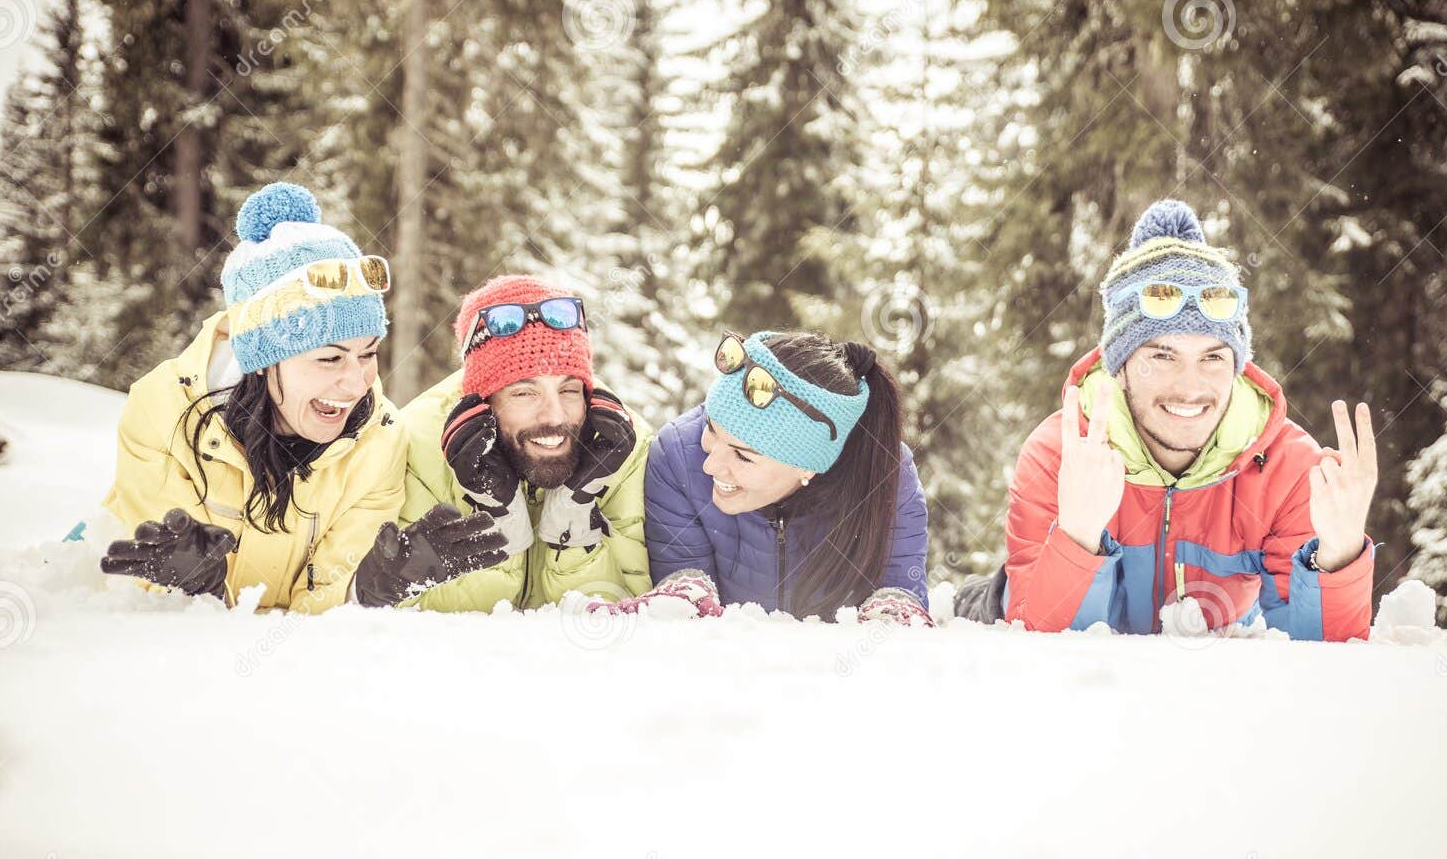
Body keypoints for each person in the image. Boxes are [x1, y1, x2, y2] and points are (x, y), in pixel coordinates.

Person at [954, 199, 1377, 641]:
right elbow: (1043, 645)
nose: (1190, 387)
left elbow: (1322, 658)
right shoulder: (1060, 454)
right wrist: (1078, 536)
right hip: (1089, 667)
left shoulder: (1286, 469)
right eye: (1162, 355)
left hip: (1211, 662)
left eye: (1213, 357)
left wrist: (1338, 558)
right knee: (993, 603)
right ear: (1117, 368)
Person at [100, 183, 505, 612]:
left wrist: (365, 586)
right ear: (261, 357)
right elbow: (143, 584)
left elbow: (317, 609)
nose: (356, 384)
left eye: (368, 353)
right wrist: (194, 590)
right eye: (330, 359)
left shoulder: (378, 438)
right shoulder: (162, 411)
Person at [626, 329, 932, 625]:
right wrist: (683, 595)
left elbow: (898, 591)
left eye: (743, 455)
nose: (710, 466)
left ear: (807, 465)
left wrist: (894, 611)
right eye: (711, 427)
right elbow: (682, 609)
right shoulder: (678, 457)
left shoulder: (885, 474)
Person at [398, 275, 653, 611]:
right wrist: (496, 524)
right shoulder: (417, 443)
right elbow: (402, 614)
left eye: (569, 390)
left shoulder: (622, 447)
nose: (555, 415)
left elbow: (628, 611)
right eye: (524, 392)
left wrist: (574, 519)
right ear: (482, 403)